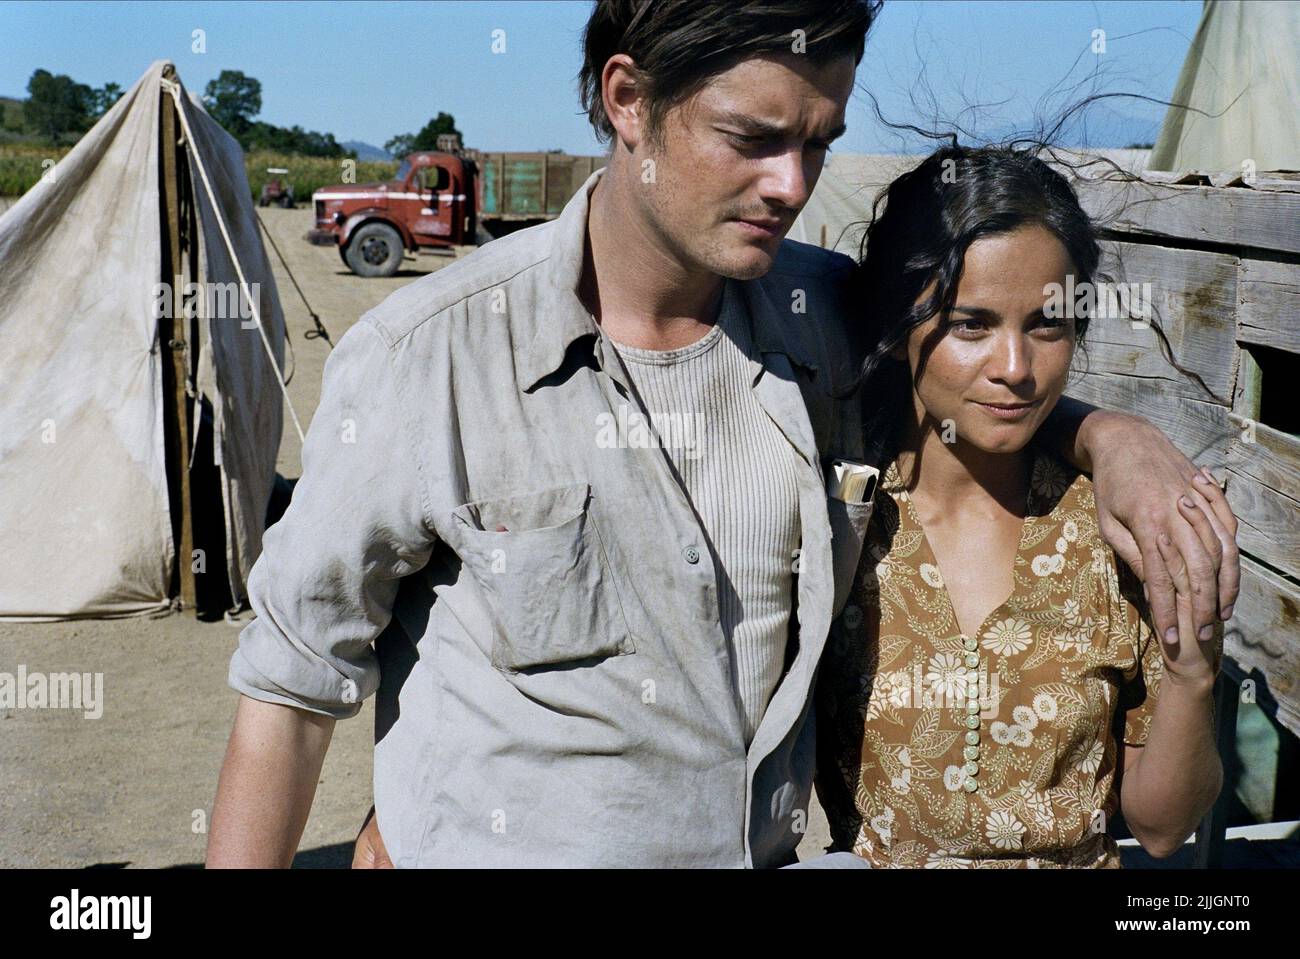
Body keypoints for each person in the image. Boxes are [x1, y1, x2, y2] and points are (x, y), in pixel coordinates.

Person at [207, 1, 1237, 869]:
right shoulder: (424, 360)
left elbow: (977, 374)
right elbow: (289, 698)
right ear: (627, 101)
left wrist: (1111, 437)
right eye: (752, 138)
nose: (793, 185)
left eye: (819, 142)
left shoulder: (823, 328)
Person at [814, 145, 1231, 868]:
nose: (1015, 368)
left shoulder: (1116, 531)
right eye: (971, 324)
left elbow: (1162, 828)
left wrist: (1194, 670)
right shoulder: (841, 525)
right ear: (898, 322)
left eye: (1045, 324)